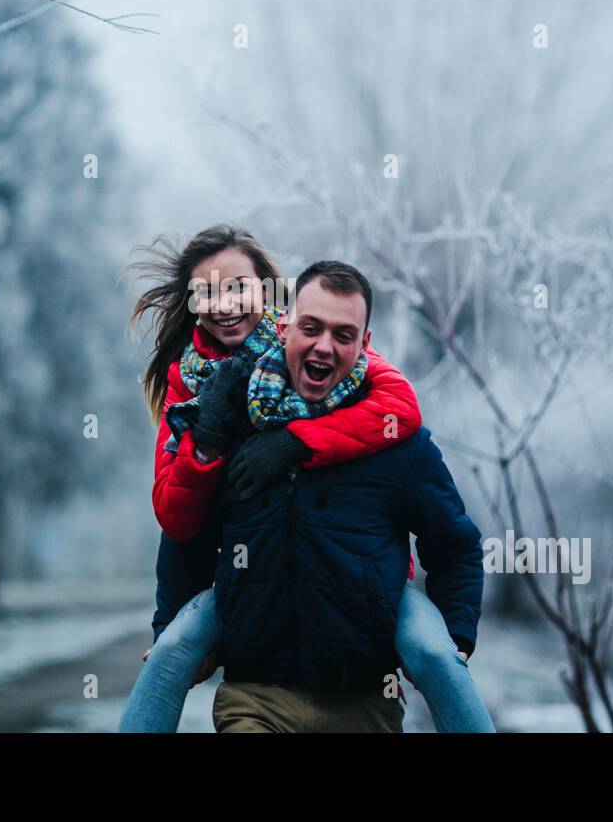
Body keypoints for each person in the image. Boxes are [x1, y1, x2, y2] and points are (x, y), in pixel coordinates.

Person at [117, 226, 494, 732]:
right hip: (256, 685)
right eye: (207, 292)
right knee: (172, 652)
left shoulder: (379, 417)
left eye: (342, 336)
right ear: (291, 326)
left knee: (435, 651)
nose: (224, 303)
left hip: (362, 674)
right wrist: (206, 436)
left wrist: (298, 444)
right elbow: (184, 530)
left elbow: (406, 422)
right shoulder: (201, 397)